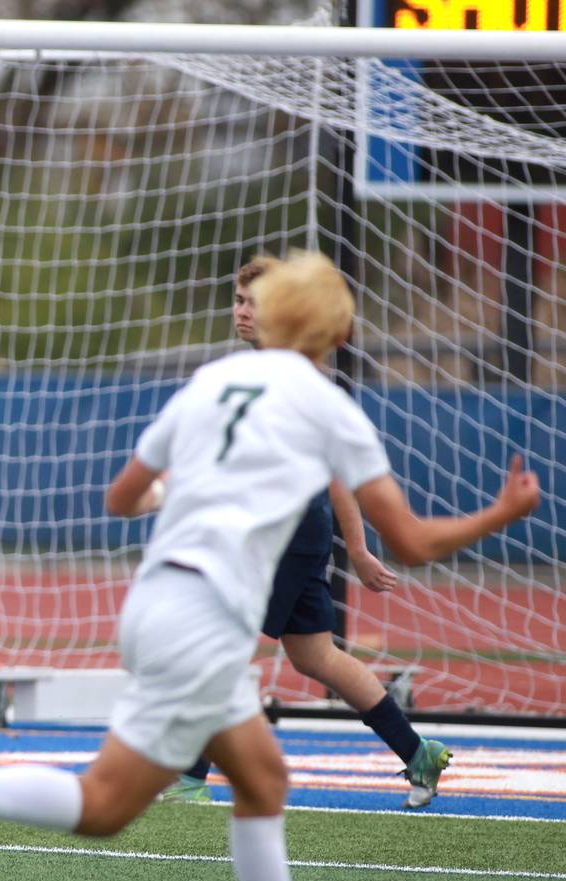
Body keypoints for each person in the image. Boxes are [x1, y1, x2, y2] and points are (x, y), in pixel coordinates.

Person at [0, 253, 539, 881]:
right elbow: (409, 539)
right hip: (204, 618)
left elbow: (122, 496)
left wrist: (196, 490)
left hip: (159, 599)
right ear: (336, 331)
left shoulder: (211, 382)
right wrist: (500, 514)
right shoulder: (328, 406)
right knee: (105, 805)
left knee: (263, 779)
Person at [161, 256, 447, 809]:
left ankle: (192, 779)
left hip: (285, 537)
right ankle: (418, 754)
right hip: (294, 533)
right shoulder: (256, 374)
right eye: (239, 300)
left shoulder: (292, 380)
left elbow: (337, 473)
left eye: (255, 303)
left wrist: (358, 548)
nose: (242, 312)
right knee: (316, 656)